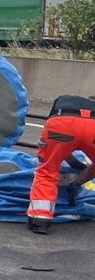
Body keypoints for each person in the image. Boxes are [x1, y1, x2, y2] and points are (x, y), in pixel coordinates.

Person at [26, 95, 95, 234]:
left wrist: (72, 162)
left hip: (62, 123)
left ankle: (40, 220)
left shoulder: (64, 102)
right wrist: (80, 176)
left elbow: (58, 149)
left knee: (47, 171)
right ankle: (76, 183)